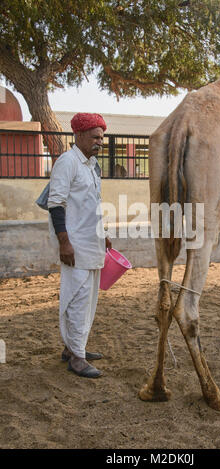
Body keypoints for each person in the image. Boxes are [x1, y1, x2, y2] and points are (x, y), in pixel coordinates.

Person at [48, 112, 112, 378]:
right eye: (96, 137)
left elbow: (90, 205)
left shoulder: (91, 165)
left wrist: (103, 232)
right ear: (79, 135)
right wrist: (65, 243)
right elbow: (56, 203)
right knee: (77, 298)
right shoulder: (68, 162)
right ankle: (76, 357)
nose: (100, 142)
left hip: (92, 242)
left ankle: (74, 347)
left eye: (102, 137)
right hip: (75, 246)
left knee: (88, 299)